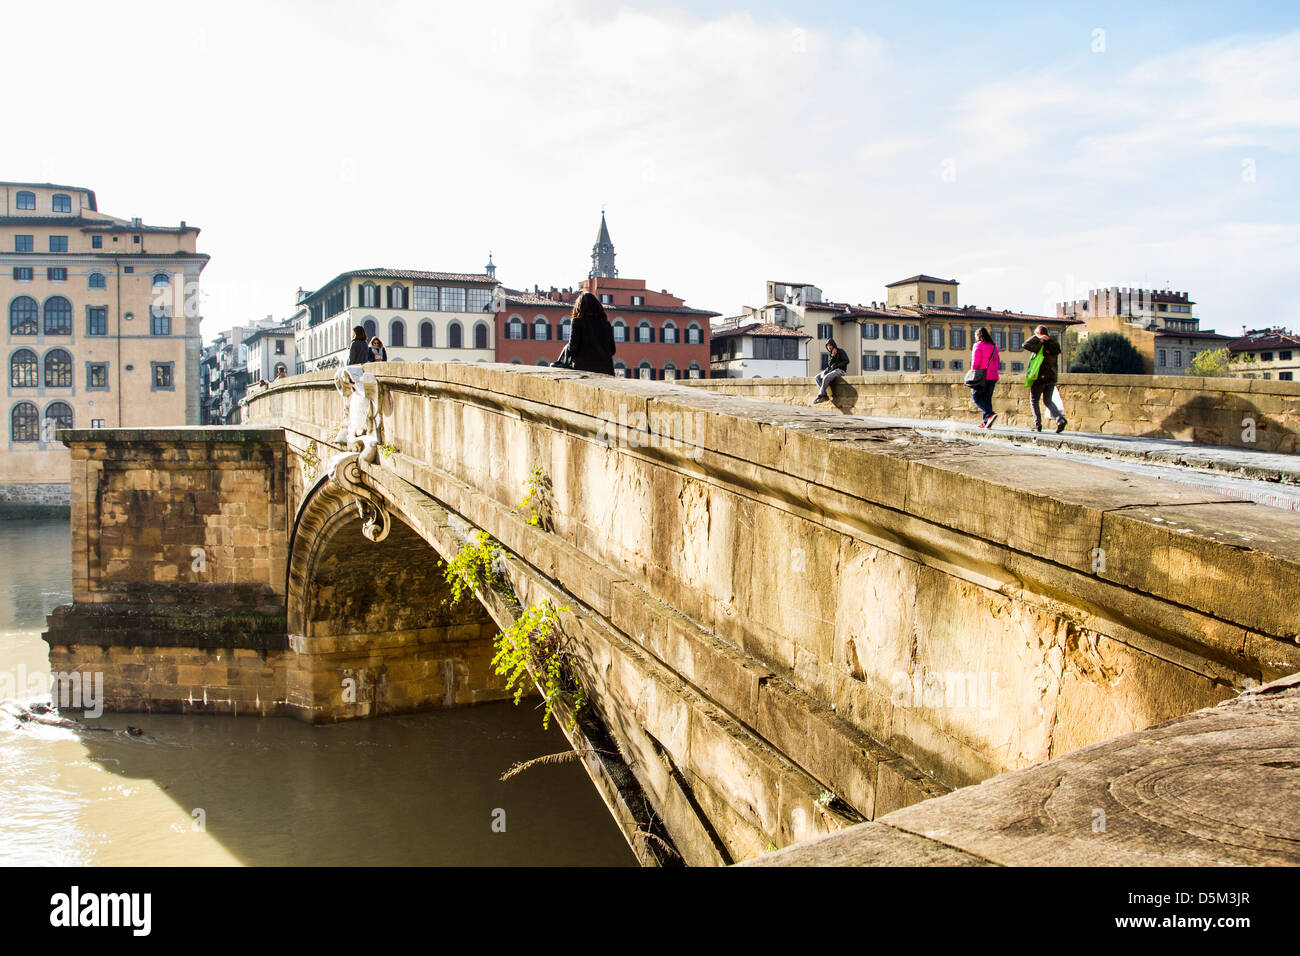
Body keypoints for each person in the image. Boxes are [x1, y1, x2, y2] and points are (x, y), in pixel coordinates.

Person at [1023, 325, 1066, 432]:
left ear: (1039, 334)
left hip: (1039, 377)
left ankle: (1038, 425)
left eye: (1036, 334)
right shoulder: (1054, 344)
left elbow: (1025, 344)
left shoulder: (1040, 345)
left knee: (1034, 400)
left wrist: (1038, 338)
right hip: (1052, 376)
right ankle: (1059, 418)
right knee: (1047, 400)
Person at [565, 291, 616, 375]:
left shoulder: (577, 322)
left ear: (579, 307)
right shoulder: (606, 323)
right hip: (606, 371)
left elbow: (573, 348)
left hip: (583, 370)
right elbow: (612, 350)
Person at [969, 326, 1000, 427]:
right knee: (987, 399)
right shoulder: (994, 346)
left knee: (976, 397)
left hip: (982, 376)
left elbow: (976, 362)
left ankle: (990, 414)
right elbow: (998, 362)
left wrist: (973, 373)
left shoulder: (978, 345)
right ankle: (986, 422)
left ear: (978, 336)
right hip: (993, 376)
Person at [812, 339, 849, 404]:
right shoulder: (831, 354)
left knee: (826, 377)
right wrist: (833, 356)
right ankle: (824, 395)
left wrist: (837, 366)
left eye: (830, 345)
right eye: (827, 346)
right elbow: (829, 364)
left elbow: (846, 361)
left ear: (833, 345)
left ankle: (820, 395)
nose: (829, 347)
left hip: (840, 370)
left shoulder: (841, 351)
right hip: (832, 370)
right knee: (817, 377)